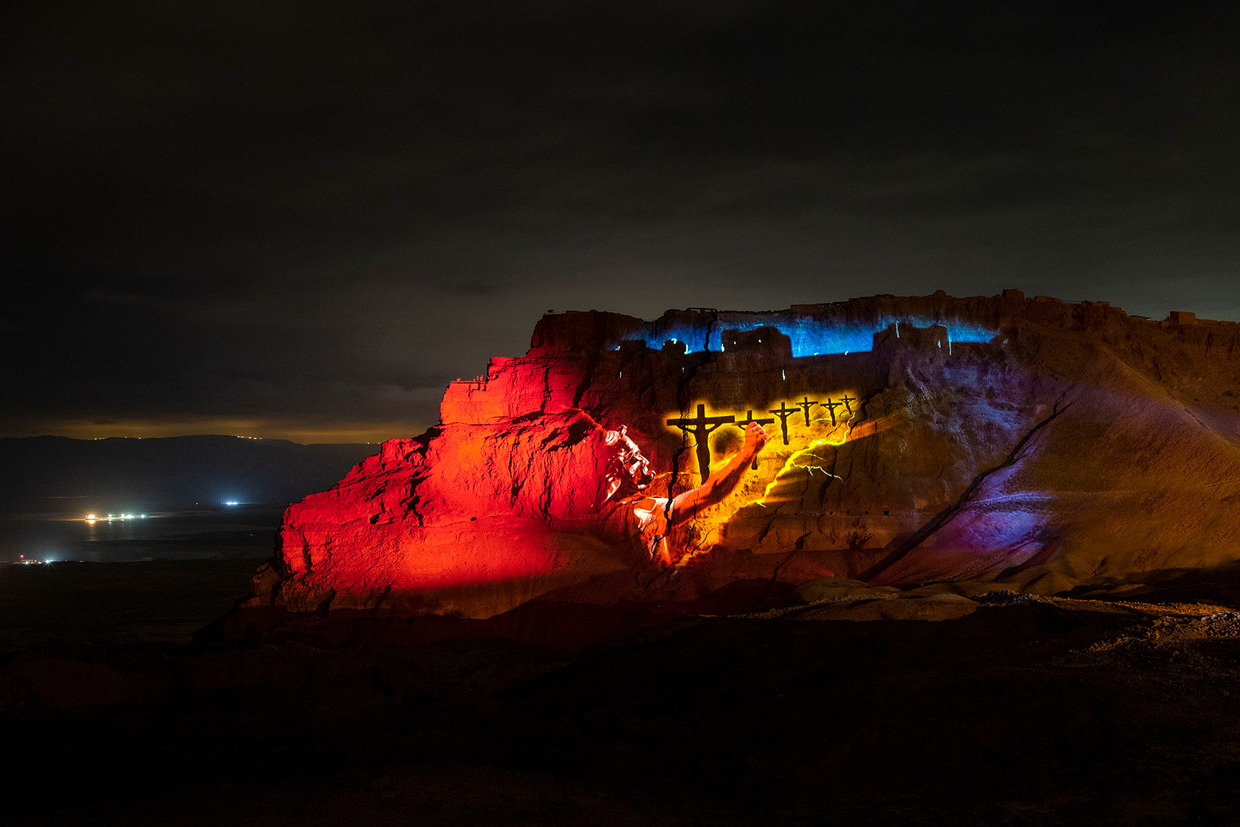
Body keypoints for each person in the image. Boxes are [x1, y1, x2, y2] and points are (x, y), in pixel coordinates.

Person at [597, 421, 769, 566]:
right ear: (617, 471)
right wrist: (748, 451)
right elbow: (710, 492)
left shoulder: (603, 513)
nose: (645, 461)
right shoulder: (640, 512)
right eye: (634, 457)